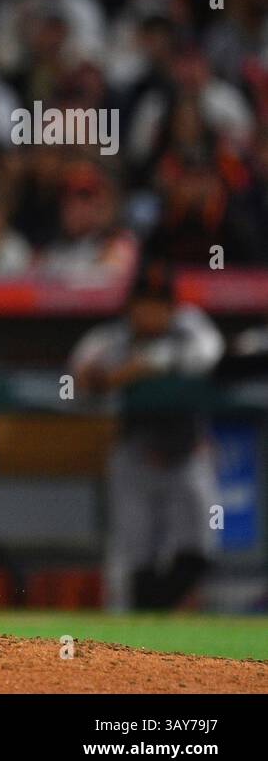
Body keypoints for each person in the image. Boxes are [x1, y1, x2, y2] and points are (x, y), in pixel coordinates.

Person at [68, 261, 224, 610]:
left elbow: (210, 352)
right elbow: (78, 375)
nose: (151, 314)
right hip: (135, 454)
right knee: (134, 559)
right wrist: (103, 376)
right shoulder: (112, 338)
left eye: (159, 306)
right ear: (130, 308)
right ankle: (140, 642)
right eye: (143, 305)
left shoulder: (192, 327)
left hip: (187, 452)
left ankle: (159, 612)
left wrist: (145, 365)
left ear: (172, 308)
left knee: (199, 549)